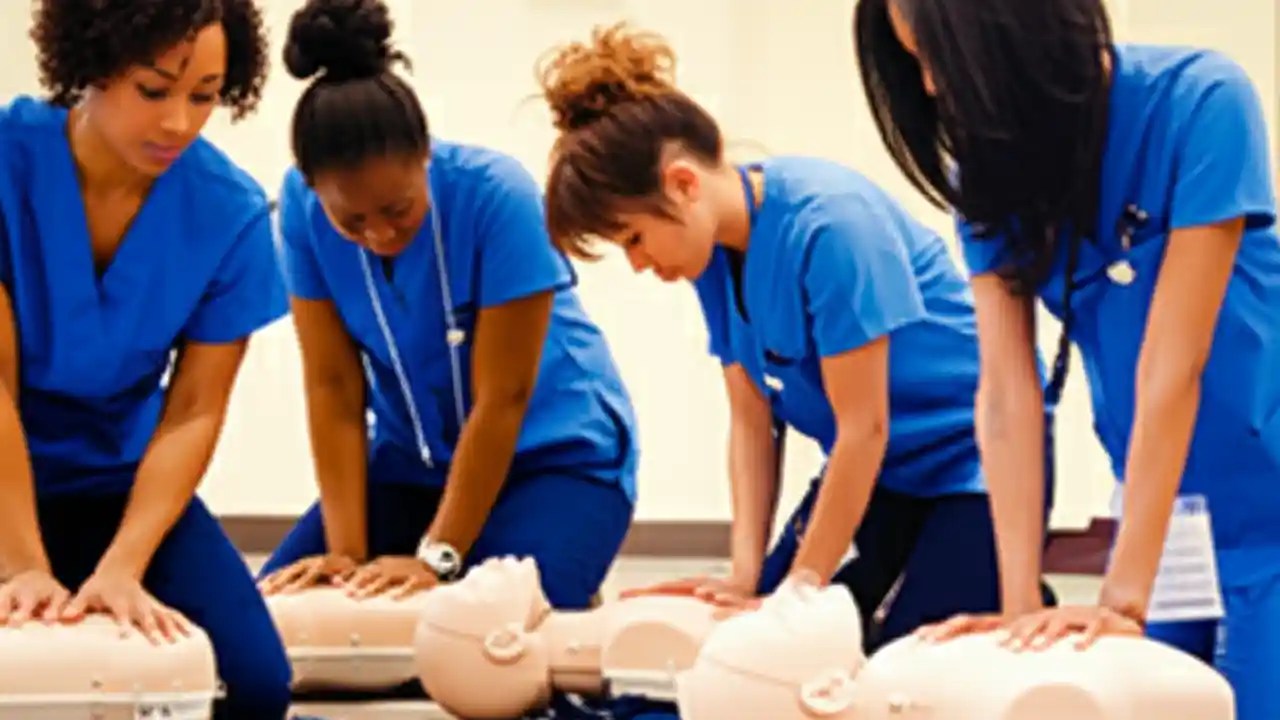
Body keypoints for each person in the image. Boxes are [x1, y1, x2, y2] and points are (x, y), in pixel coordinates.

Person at [533, 23, 1055, 654]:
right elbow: (752, 422)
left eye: (634, 239)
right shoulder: (712, 258)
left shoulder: (831, 225)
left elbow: (865, 427)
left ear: (683, 184)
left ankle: (994, 585)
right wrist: (746, 575)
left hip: (973, 467)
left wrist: (798, 590)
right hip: (882, 478)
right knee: (744, 629)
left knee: (897, 656)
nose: (640, 264)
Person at [854, 1, 1280, 717]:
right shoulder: (988, 175)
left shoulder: (1201, 101)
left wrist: (1121, 599)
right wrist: (1019, 609)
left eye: (934, 56)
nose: (928, 87)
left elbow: (1171, 369)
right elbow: (1007, 395)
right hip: (1168, 515)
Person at [256, 0, 638, 622]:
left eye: (399, 209)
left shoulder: (497, 197)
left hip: (555, 460)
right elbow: (332, 385)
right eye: (351, 220)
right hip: (413, 467)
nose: (379, 233)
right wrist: (345, 552)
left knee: (477, 633)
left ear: (425, 155)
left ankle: (552, 568)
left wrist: (438, 558)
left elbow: (504, 396)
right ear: (312, 186)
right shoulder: (298, 210)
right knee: (284, 618)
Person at [0, 0, 292, 717]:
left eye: (205, 96)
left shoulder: (229, 211)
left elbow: (194, 408)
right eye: (154, 90)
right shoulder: (7, 163)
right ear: (92, 65)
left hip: (113, 487)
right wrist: (25, 567)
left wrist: (123, 568)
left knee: (255, 685)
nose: (179, 124)